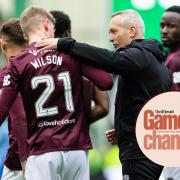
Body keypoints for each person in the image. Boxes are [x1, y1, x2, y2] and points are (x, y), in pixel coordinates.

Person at [36, 9, 171, 180]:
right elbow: (154, 107)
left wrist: (65, 44)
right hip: (143, 146)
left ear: (132, 31)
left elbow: (110, 60)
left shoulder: (140, 56)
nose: (110, 38)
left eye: (114, 31)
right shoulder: (154, 61)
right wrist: (126, 128)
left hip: (139, 152)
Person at [0, 6, 113, 180]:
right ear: (47, 25)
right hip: (76, 150)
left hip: (42, 150)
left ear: (24, 34)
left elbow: (3, 110)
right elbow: (106, 82)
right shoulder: (72, 54)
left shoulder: (18, 63)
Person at [50, 10, 110, 124]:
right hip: (77, 138)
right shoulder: (83, 60)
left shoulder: (35, 63)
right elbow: (103, 107)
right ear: (67, 33)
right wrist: (78, 124)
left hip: (44, 136)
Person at [0, 19, 27, 180]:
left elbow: (19, 118)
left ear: (3, 44)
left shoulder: (7, 74)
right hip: (58, 151)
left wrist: (25, 160)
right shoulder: (45, 65)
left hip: (20, 163)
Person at [160, 5, 180, 180]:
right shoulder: (169, 57)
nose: (165, 31)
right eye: (162, 25)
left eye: (171, 26)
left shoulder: (177, 60)